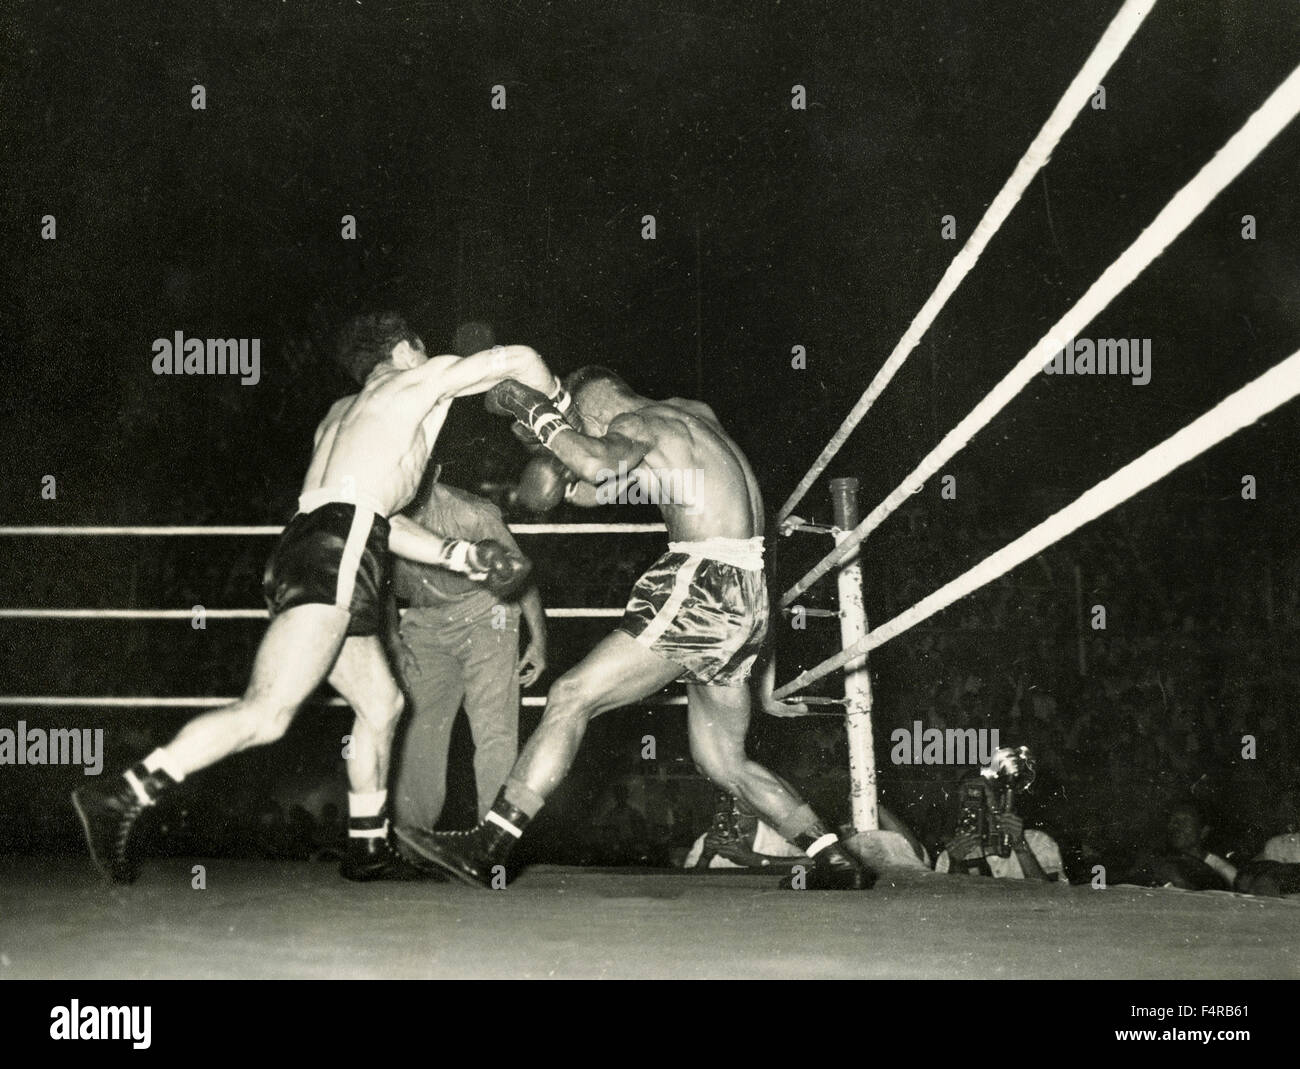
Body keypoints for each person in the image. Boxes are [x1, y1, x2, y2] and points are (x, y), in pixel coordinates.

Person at [72, 317, 541, 884]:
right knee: (268, 712)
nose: (431, 359)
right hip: (339, 554)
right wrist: (557, 413)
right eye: (423, 348)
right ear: (404, 350)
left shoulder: (344, 415)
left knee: (383, 704)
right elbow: (515, 359)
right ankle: (124, 794)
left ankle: (368, 847)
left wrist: (461, 555)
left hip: (317, 545)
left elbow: (377, 517)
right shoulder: (412, 382)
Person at [397, 363, 871, 889]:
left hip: (703, 584)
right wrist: (557, 465)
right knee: (723, 761)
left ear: (592, 411)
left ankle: (489, 847)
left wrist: (535, 413)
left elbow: (597, 462)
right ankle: (834, 859)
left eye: (581, 424)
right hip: (748, 593)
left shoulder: (637, 426)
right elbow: (598, 486)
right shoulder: (692, 417)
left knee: (571, 696)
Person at [389, 467, 547, 832]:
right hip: (424, 618)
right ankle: (412, 837)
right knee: (417, 726)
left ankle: (494, 837)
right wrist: (394, 641)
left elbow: (518, 574)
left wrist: (539, 641)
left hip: (486, 611)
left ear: (434, 472)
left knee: (494, 727)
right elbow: (377, 584)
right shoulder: (379, 513)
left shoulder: (472, 513)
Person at [935, 773, 1067, 883]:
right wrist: (956, 863)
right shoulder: (948, 856)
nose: (974, 806)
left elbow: (1054, 898)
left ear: (1002, 801)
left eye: (983, 797)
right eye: (965, 801)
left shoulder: (1038, 842)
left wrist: (1020, 846)